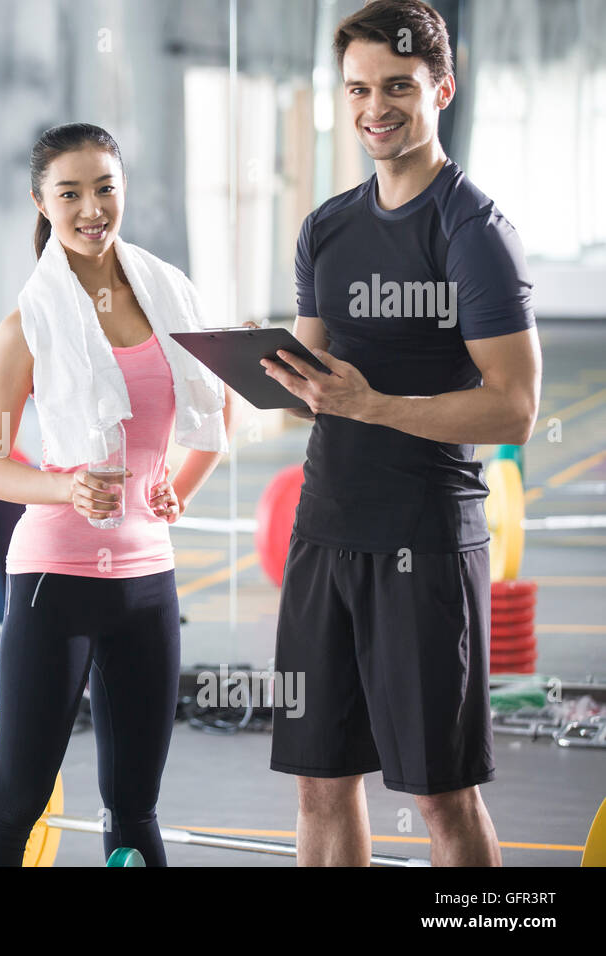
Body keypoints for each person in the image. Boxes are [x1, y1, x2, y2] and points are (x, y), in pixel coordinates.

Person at [260, 0, 540, 866]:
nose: (373, 107)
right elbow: (313, 378)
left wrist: (372, 404)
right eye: (357, 88)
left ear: (441, 88)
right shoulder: (326, 229)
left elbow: (514, 408)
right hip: (326, 532)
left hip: (423, 542)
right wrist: (246, 373)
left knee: (440, 798)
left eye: (397, 87)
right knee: (319, 783)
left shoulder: (474, 232)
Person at [0, 122, 235, 866]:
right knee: (17, 799)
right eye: (71, 193)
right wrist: (65, 486)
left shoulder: (169, 298)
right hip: (57, 580)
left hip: (150, 582)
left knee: (136, 808)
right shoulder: (23, 329)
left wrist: (177, 488)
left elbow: (218, 409)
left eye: (106, 187)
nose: (92, 208)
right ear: (41, 203)